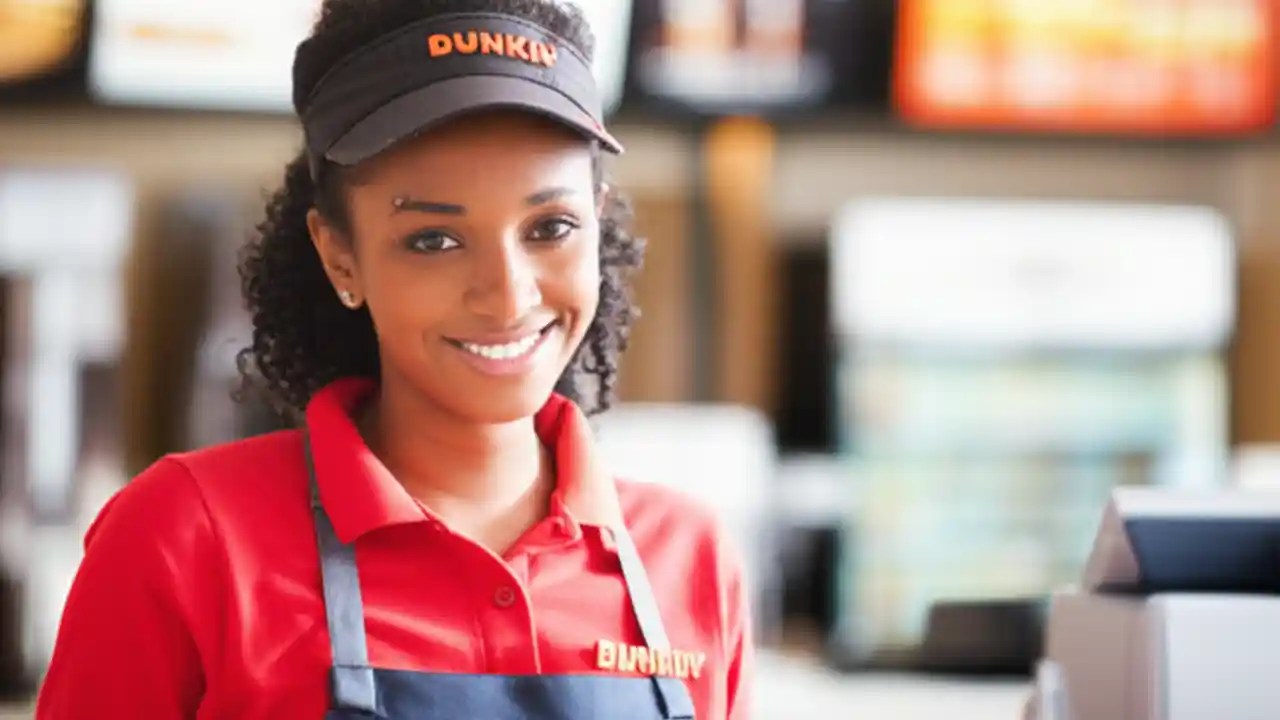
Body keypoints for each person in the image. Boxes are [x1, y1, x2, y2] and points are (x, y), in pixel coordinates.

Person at [35, 0, 753, 718]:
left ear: (597, 224)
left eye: (551, 227)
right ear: (339, 255)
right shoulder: (187, 537)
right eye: (434, 240)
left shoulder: (686, 555)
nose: (507, 295)